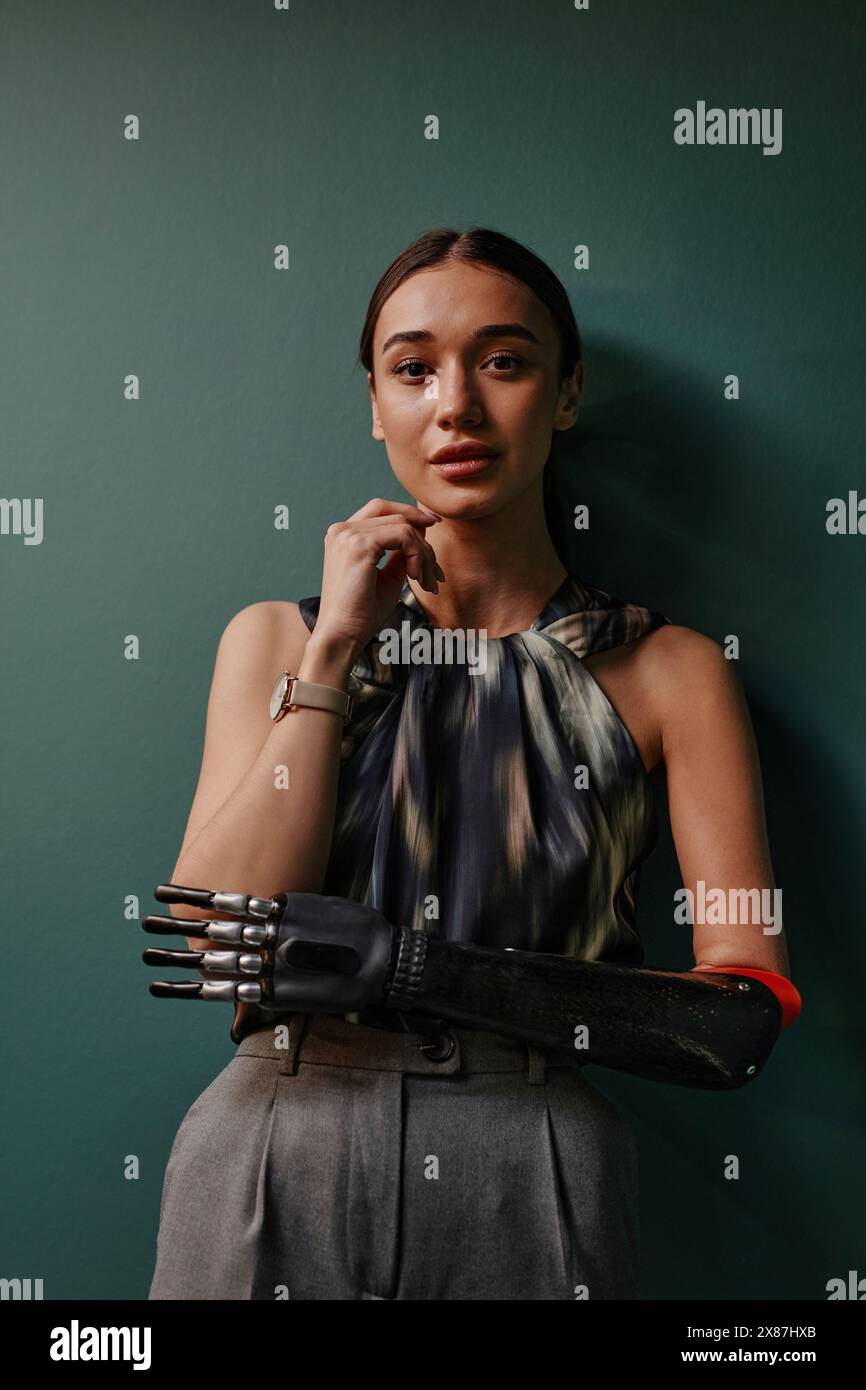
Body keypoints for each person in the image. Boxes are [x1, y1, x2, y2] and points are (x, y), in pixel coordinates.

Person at [147, 226, 801, 1301]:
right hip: (273, 1137)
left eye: (503, 360)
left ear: (566, 391)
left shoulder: (670, 670)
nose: (455, 403)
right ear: (375, 405)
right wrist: (331, 657)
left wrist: (421, 971)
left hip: (530, 1156)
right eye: (411, 369)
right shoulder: (271, 640)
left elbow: (738, 1013)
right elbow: (211, 928)